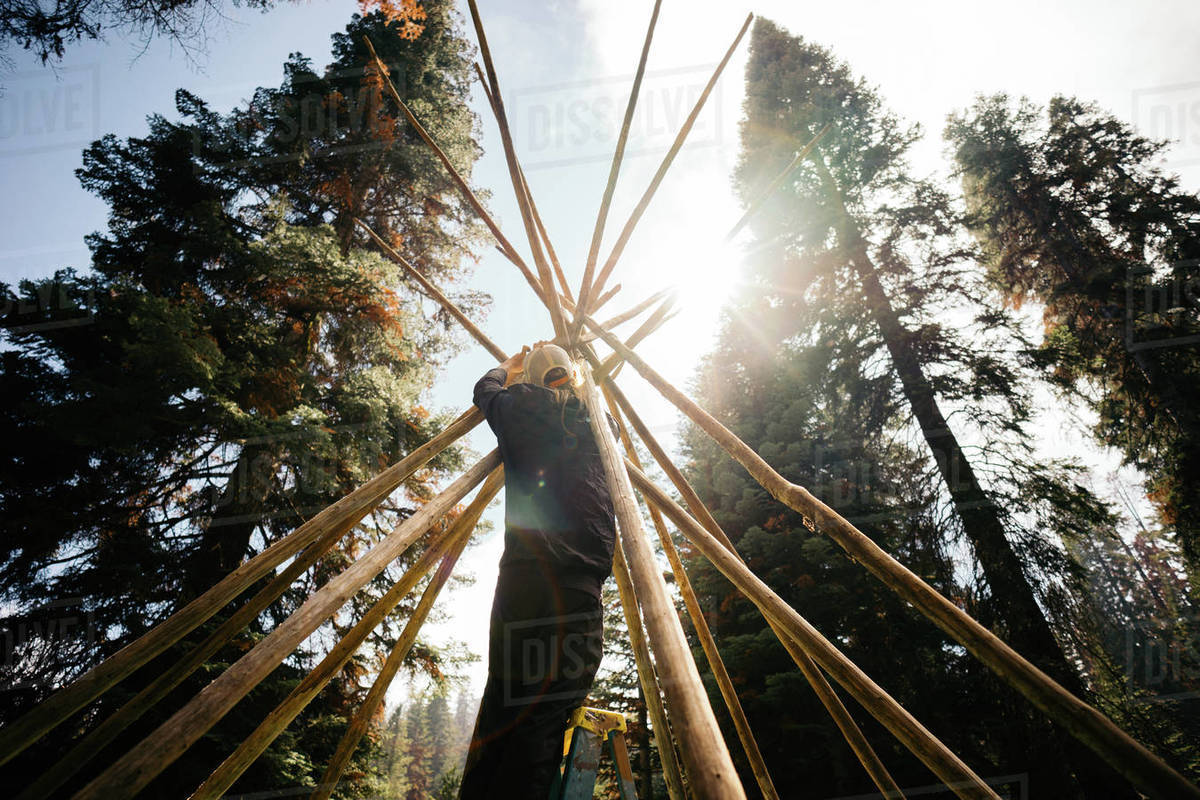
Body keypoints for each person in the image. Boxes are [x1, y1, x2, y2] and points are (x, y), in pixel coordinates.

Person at [458, 343, 616, 800]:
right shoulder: (597, 421)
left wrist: (507, 370)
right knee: (546, 713)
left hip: (522, 579)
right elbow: (600, 417)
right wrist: (582, 379)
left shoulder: (516, 407)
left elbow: (484, 389)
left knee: (503, 704)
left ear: (528, 380)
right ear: (572, 375)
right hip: (576, 582)